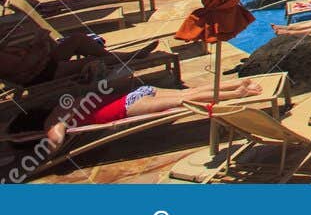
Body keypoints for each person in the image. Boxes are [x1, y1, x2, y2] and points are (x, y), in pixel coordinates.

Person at [39, 78, 264, 149]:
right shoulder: (68, 103)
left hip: (129, 106)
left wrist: (48, 142)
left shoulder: (56, 117)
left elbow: (56, 135)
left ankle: (237, 94)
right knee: (189, 92)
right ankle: (237, 84)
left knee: (185, 99)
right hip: (136, 93)